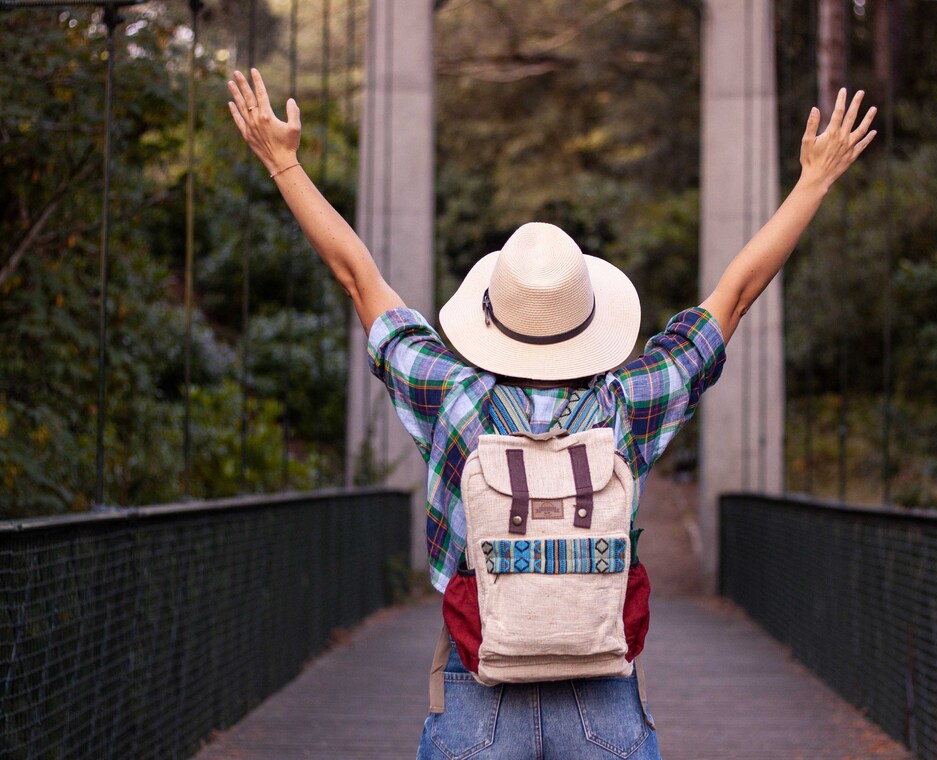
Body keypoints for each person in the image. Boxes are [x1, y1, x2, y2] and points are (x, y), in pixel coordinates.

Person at [228, 67, 875, 760]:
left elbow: (356, 274)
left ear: (489, 316)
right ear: (589, 317)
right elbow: (737, 294)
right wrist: (813, 180)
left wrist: (284, 163)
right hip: (603, 695)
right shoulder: (629, 401)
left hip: (478, 684)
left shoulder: (452, 397)